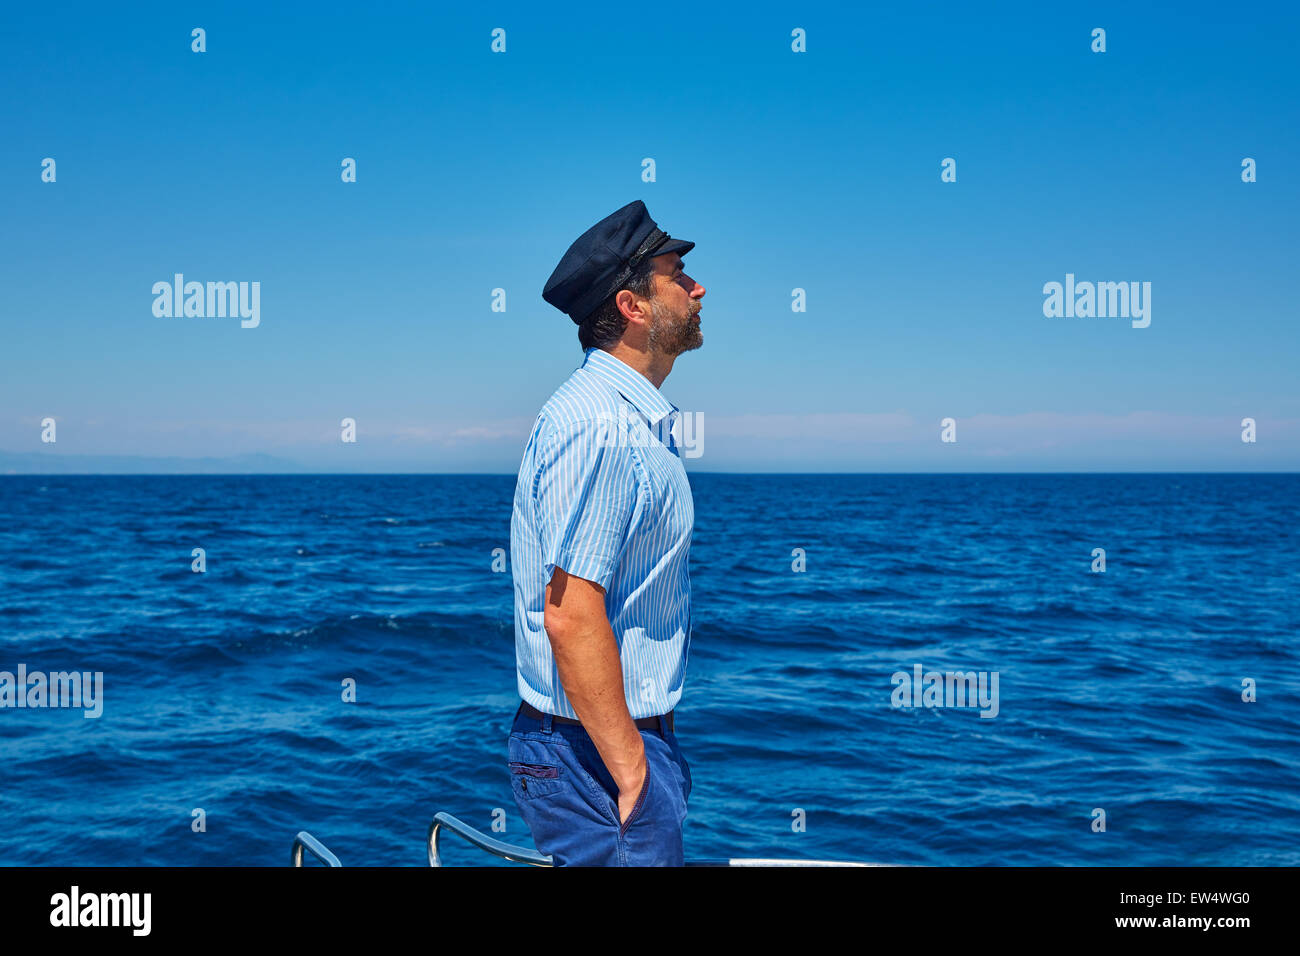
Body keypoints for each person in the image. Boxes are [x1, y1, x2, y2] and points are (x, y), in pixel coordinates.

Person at [506, 199, 705, 865]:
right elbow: (570, 611)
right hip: (594, 754)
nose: (697, 288)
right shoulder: (602, 426)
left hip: (604, 745)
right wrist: (634, 775)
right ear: (633, 305)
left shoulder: (627, 419)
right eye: (677, 275)